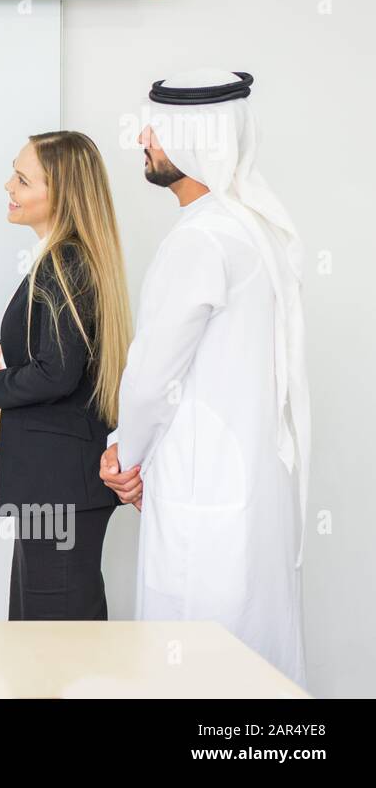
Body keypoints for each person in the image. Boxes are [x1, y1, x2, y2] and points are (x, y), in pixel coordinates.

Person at [100, 69, 310, 686]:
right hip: (241, 485)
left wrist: (124, 454)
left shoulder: (204, 240)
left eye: (157, 130)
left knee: (197, 670)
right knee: (249, 663)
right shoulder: (251, 231)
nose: (143, 137)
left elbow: (150, 376)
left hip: (206, 484)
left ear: (198, 140)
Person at [0, 131, 131, 620]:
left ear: (61, 194)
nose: (9, 186)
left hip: (58, 485)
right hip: (55, 484)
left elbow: (57, 373)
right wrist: (0, 349)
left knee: (56, 638)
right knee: (41, 630)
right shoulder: (65, 260)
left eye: (22, 180)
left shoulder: (66, 262)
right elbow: (49, 351)